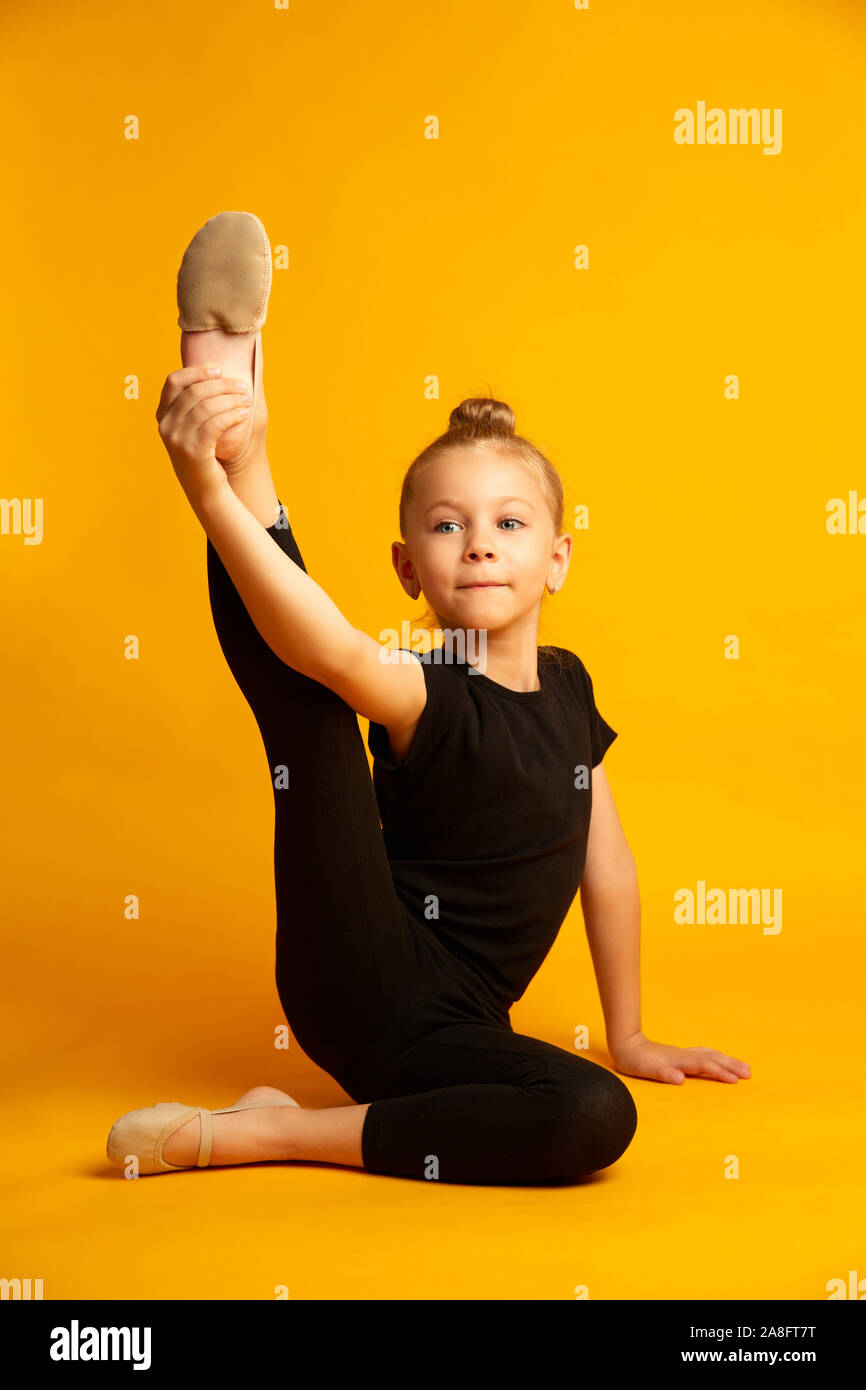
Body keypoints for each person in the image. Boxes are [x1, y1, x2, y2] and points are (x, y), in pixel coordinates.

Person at [106, 215, 750, 1186]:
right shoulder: (426, 683)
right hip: (364, 973)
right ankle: (234, 426)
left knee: (587, 1113)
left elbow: (605, 866)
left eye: (507, 521)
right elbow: (315, 642)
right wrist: (206, 490)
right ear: (410, 567)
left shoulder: (570, 687)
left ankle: (282, 1125)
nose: (479, 542)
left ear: (557, 556)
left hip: (451, 1033)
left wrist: (627, 1034)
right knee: (315, 691)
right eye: (446, 526)